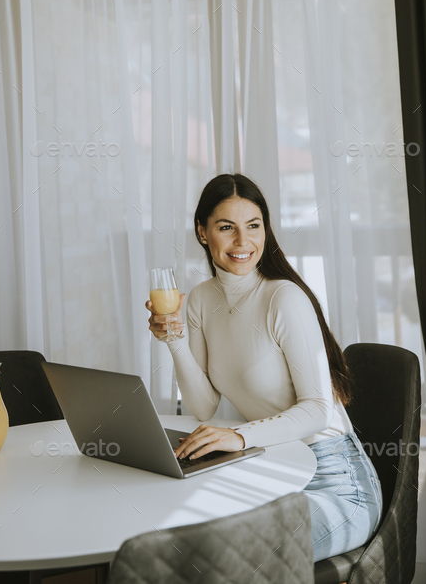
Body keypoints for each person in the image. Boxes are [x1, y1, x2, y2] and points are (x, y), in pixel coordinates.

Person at [146, 173, 383, 563]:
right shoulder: (201, 299)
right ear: (203, 233)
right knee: (178, 537)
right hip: (274, 470)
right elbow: (204, 407)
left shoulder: (282, 298)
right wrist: (174, 342)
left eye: (253, 226)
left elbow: (317, 409)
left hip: (336, 484)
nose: (243, 242)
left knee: (232, 557)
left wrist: (238, 437)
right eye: (227, 228)